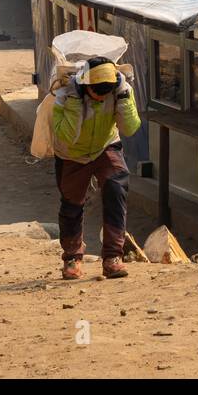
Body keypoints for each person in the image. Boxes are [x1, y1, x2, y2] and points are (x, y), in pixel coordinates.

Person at [50, 56, 140, 280]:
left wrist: (123, 97)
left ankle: (113, 258)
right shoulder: (64, 95)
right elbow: (67, 136)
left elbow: (130, 128)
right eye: (96, 92)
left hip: (105, 145)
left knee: (116, 190)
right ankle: (72, 258)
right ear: (85, 85)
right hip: (71, 153)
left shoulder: (120, 90)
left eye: (105, 93)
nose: (100, 97)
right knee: (72, 204)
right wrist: (75, 102)